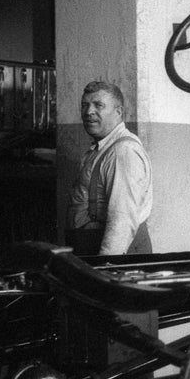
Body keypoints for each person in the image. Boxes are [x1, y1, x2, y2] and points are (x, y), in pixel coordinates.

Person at [66, 80, 153, 256]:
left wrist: (107, 266)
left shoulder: (123, 152)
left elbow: (122, 219)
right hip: (90, 244)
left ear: (118, 112)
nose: (89, 111)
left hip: (117, 253)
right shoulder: (102, 148)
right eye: (85, 105)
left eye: (98, 105)